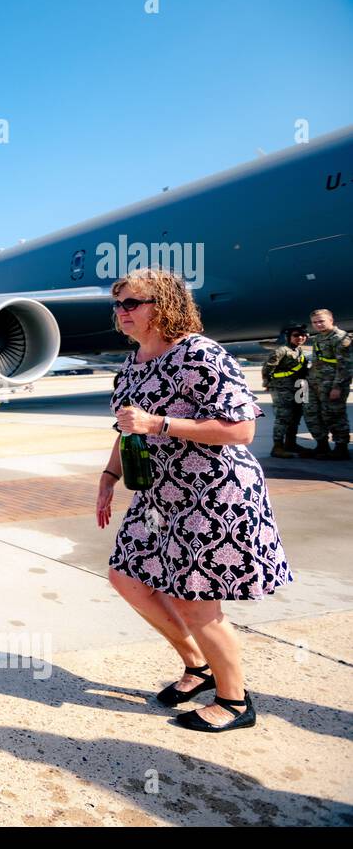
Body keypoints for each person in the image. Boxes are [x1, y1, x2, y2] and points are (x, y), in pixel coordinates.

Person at [98, 268, 291, 733]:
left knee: (194, 599)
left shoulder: (199, 354)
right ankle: (197, 666)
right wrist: (109, 476)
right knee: (126, 578)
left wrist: (159, 424)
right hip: (158, 496)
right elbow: (128, 427)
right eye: (118, 304)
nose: (122, 312)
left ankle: (235, 701)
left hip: (212, 494)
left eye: (132, 303)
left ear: (163, 305)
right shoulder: (133, 362)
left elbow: (241, 429)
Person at [302, 308, 351, 460]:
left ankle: (341, 448)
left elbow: (345, 366)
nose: (318, 324)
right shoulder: (318, 338)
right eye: (315, 322)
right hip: (315, 383)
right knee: (312, 414)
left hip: (332, 385)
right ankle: (322, 445)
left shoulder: (341, 338)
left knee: (334, 416)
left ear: (331, 320)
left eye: (321, 321)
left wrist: (337, 387)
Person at [260, 324, 311, 458]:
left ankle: (291, 444)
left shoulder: (300, 351)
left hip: (298, 388)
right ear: (289, 337)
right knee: (283, 417)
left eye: (303, 335)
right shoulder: (281, 350)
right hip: (282, 389)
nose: (300, 338)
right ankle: (277, 447)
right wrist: (268, 383)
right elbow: (267, 368)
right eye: (296, 335)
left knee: (295, 416)